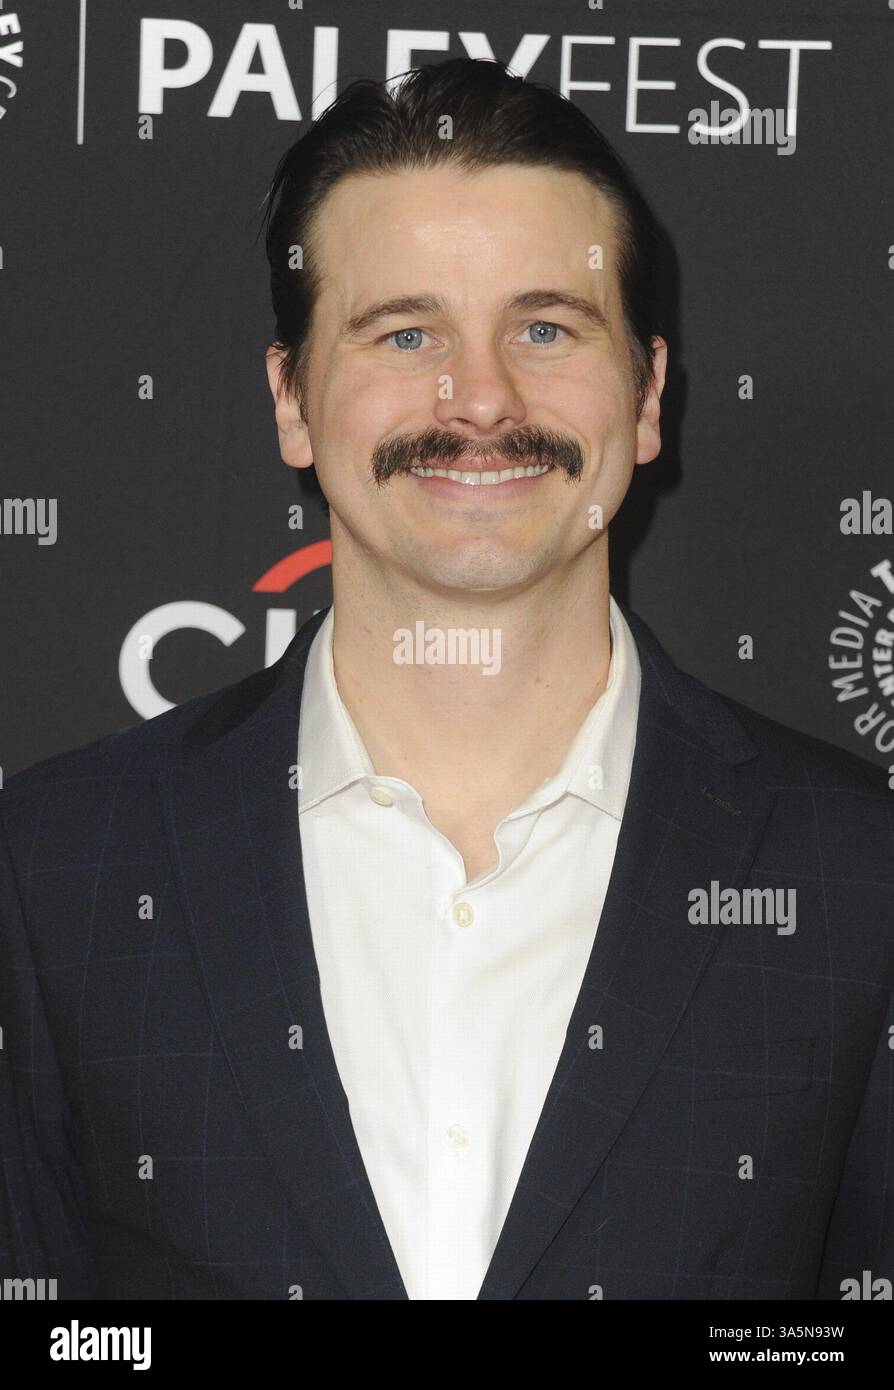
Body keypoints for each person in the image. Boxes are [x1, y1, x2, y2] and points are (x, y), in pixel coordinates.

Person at [1, 57, 891, 1302]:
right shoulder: (56, 869)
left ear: (646, 394)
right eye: (405, 331)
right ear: (292, 401)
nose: (479, 398)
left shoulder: (858, 876)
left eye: (544, 325)